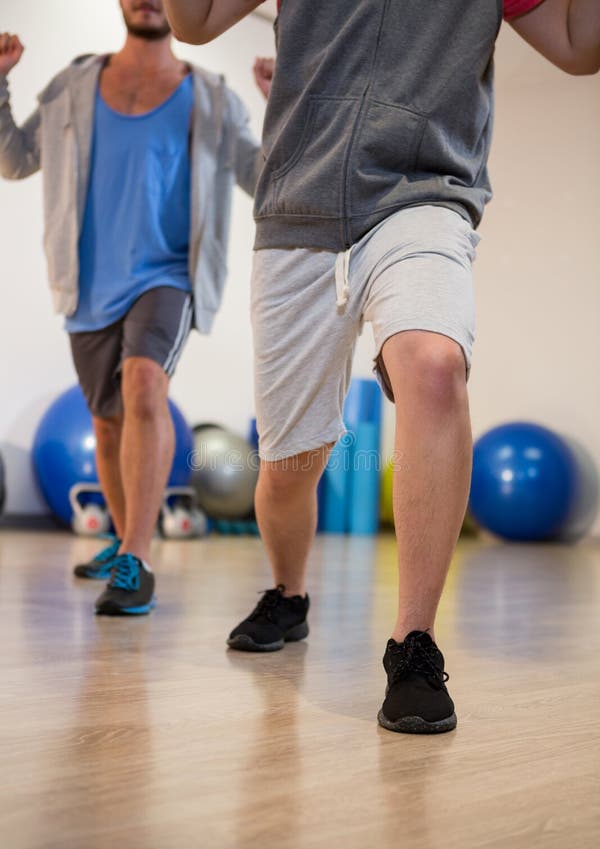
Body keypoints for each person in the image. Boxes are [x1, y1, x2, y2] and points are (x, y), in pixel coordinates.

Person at [174, 0, 597, 735]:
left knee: (435, 366)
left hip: (425, 195)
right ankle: (288, 592)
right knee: (289, 461)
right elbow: (195, 22)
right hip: (297, 211)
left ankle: (414, 644)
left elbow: (575, 44)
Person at [0, 0, 262, 616]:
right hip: (86, 284)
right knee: (108, 420)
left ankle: (137, 561)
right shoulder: (73, 85)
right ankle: (122, 541)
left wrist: (287, 109)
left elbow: (264, 175)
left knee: (144, 386)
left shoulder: (214, 99)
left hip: (171, 275)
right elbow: (14, 159)